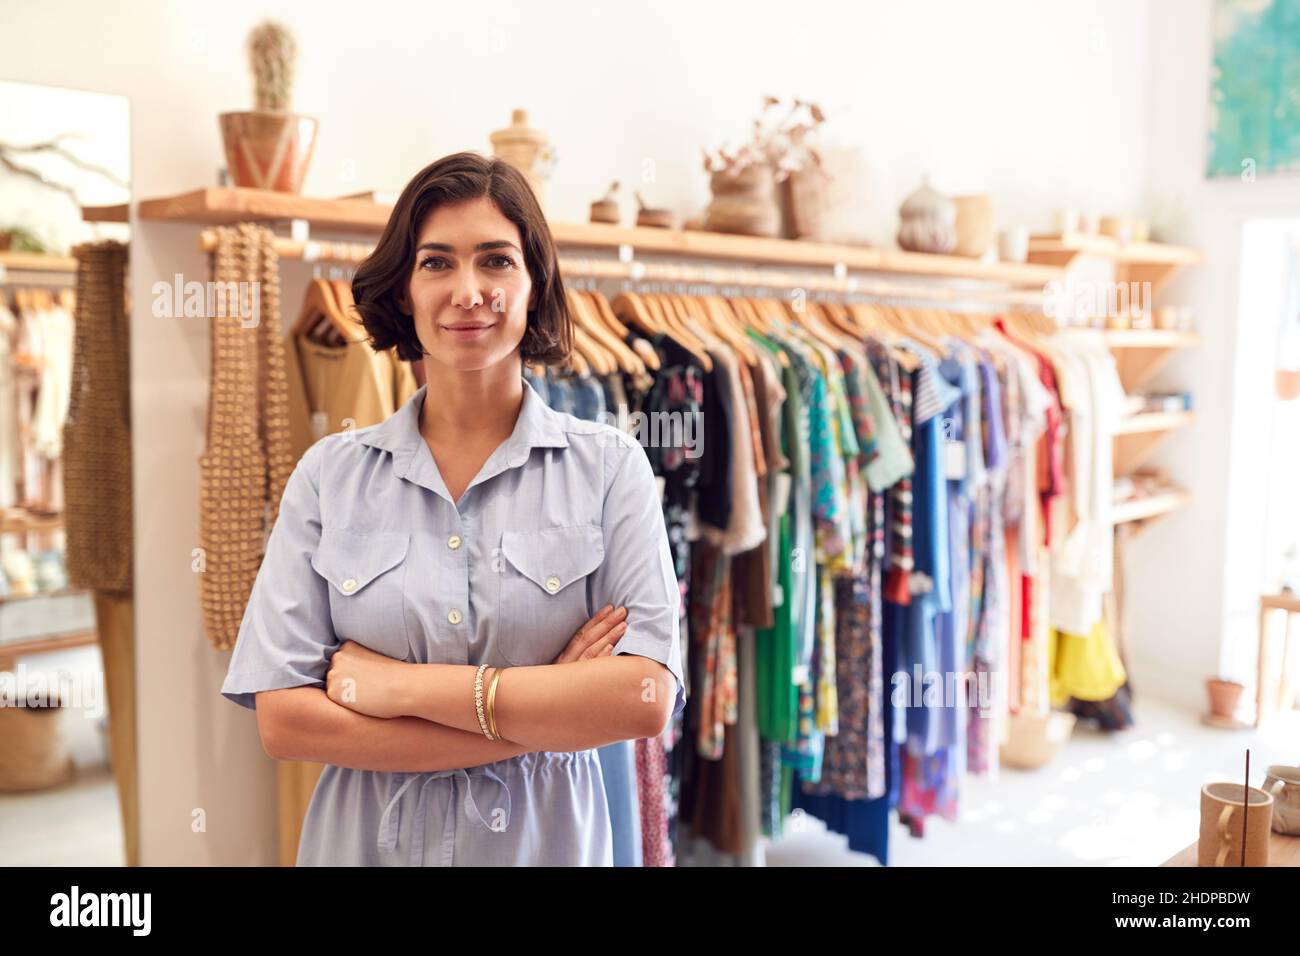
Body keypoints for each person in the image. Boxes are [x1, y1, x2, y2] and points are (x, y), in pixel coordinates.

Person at [220, 151, 686, 866]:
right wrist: (548, 706)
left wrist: (400, 687)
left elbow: (645, 696)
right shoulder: (329, 477)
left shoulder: (610, 468)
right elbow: (286, 722)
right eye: (437, 262)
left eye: (496, 261)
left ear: (534, 284)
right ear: (404, 289)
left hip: (545, 846)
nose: (468, 290)